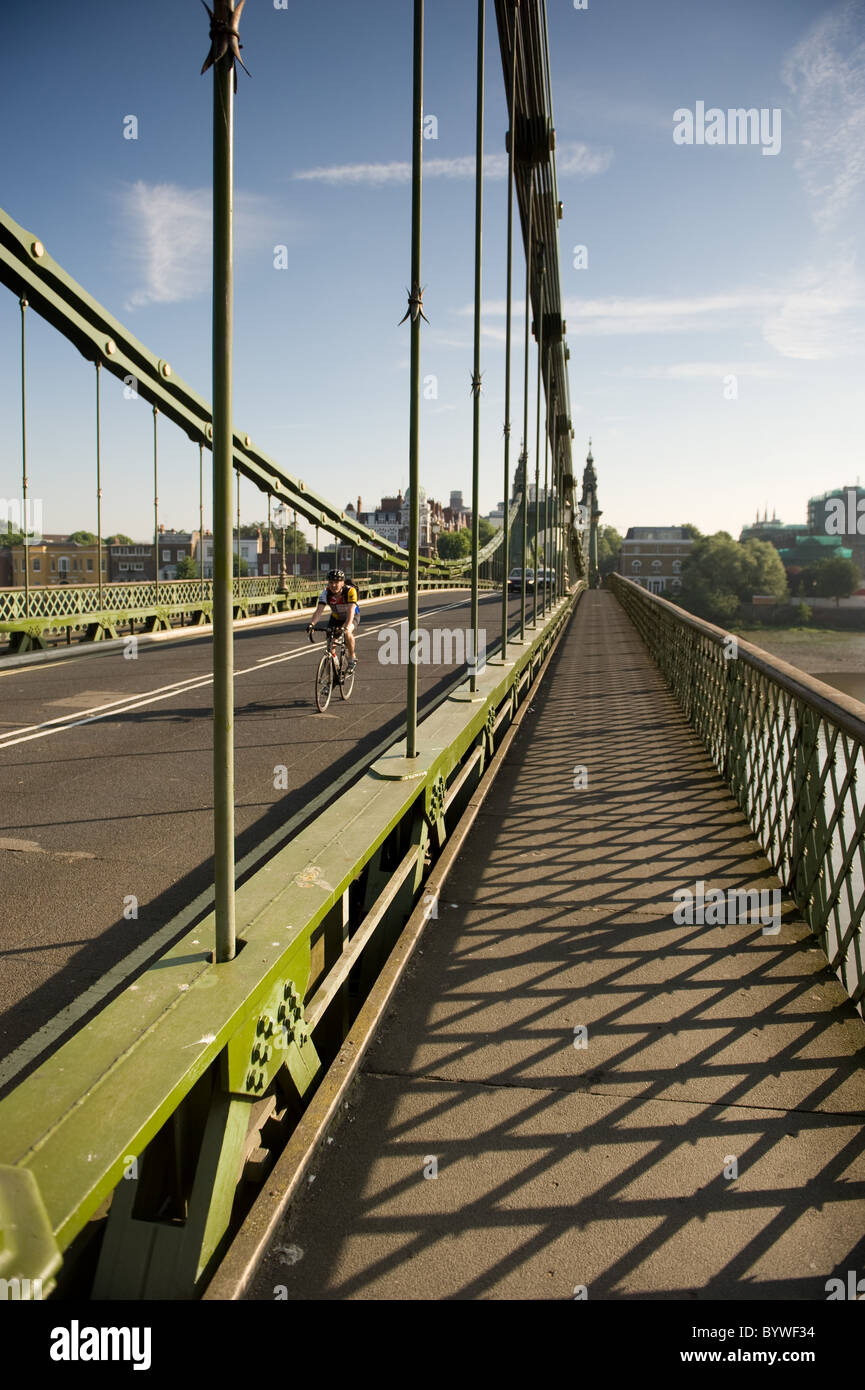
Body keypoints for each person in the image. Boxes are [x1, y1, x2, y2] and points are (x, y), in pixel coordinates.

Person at [308, 569, 359, 670]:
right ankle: (332, 676)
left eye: (336, 582)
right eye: (331, 582)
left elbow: (351, 610)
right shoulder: (326, 593)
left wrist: (347, 627)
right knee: (330, 648)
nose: (333, 585)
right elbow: (319, 611)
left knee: (347, 632)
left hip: (352, 616)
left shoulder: (350, 591)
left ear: (342, 583)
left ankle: (352, 657)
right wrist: (312, 624)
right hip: (336, 618)